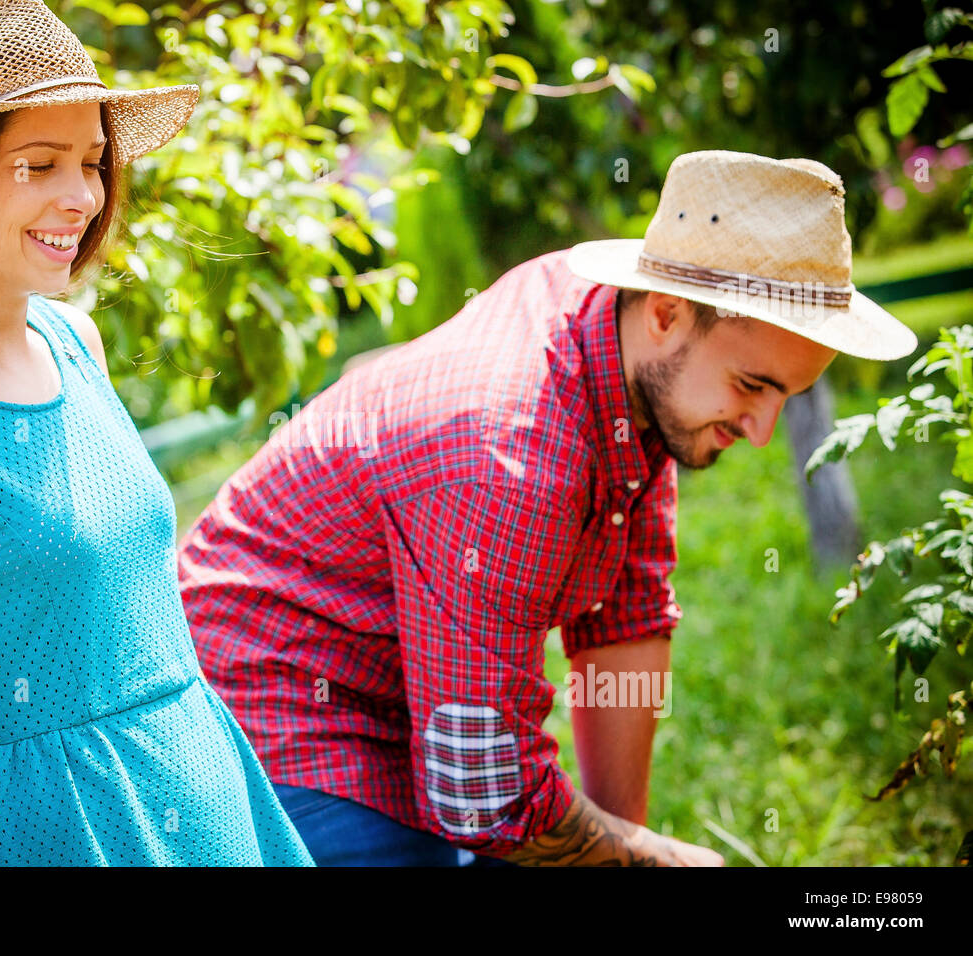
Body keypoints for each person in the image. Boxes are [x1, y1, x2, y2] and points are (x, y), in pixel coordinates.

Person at [176, 150, 918, 866]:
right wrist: (650, 860)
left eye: (783, 397)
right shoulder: (510, 452)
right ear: (666, 313)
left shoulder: (627, 353)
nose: (760, 435)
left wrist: (624, 846)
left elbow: (626, 614)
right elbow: (483, 798)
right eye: (752, 387)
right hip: (262, 708)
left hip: (411, 706)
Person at [0, 0, 313, 867]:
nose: (81, 197)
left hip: (212, 793)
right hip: (69, 829)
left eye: (92, 162)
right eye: (37, 165)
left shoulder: (75, 341)